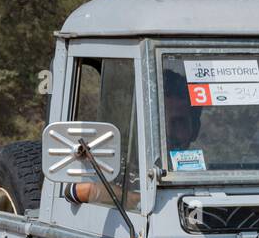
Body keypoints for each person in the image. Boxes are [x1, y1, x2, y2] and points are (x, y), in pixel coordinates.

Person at [73, 69, 202, 206]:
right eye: (158, 123)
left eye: (178, 123)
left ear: (195, 129)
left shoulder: (204, 173)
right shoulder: (118, 165)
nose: (168, 133)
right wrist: (138, 201)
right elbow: (77, 190)